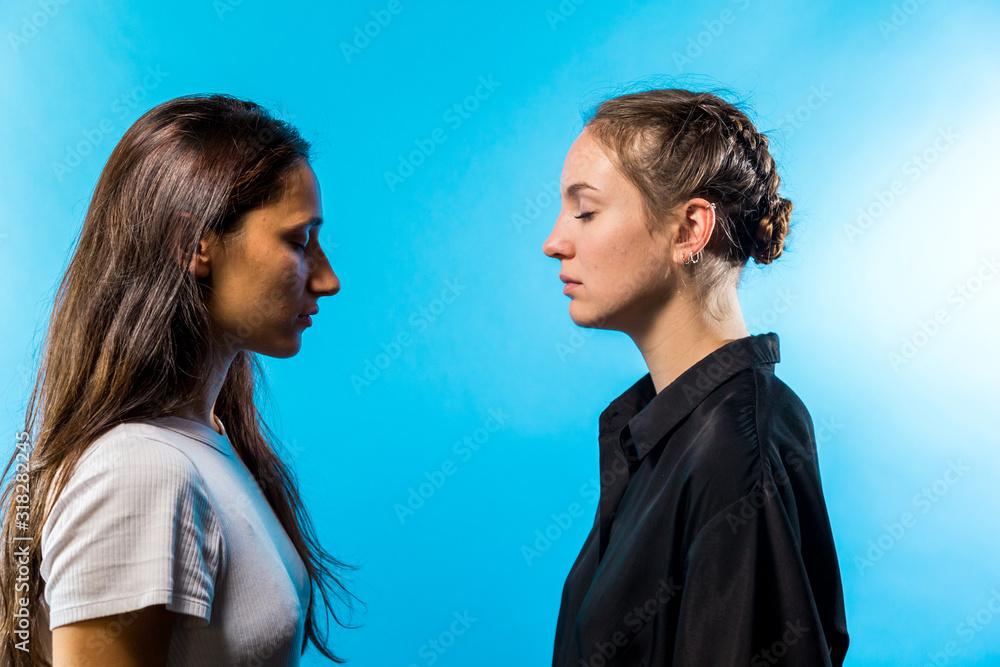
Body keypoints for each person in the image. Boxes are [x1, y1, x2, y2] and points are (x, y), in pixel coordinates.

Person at [0, 94, 357, 666]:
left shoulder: (201, 447)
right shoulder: (139, 472)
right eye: (297, 240)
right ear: (194, 245)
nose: (328, 278)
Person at [543, 88, 850, 666]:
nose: (554, 241)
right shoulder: (666, 429)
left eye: (585, 211)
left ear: (689, 229)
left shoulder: (735, 446)